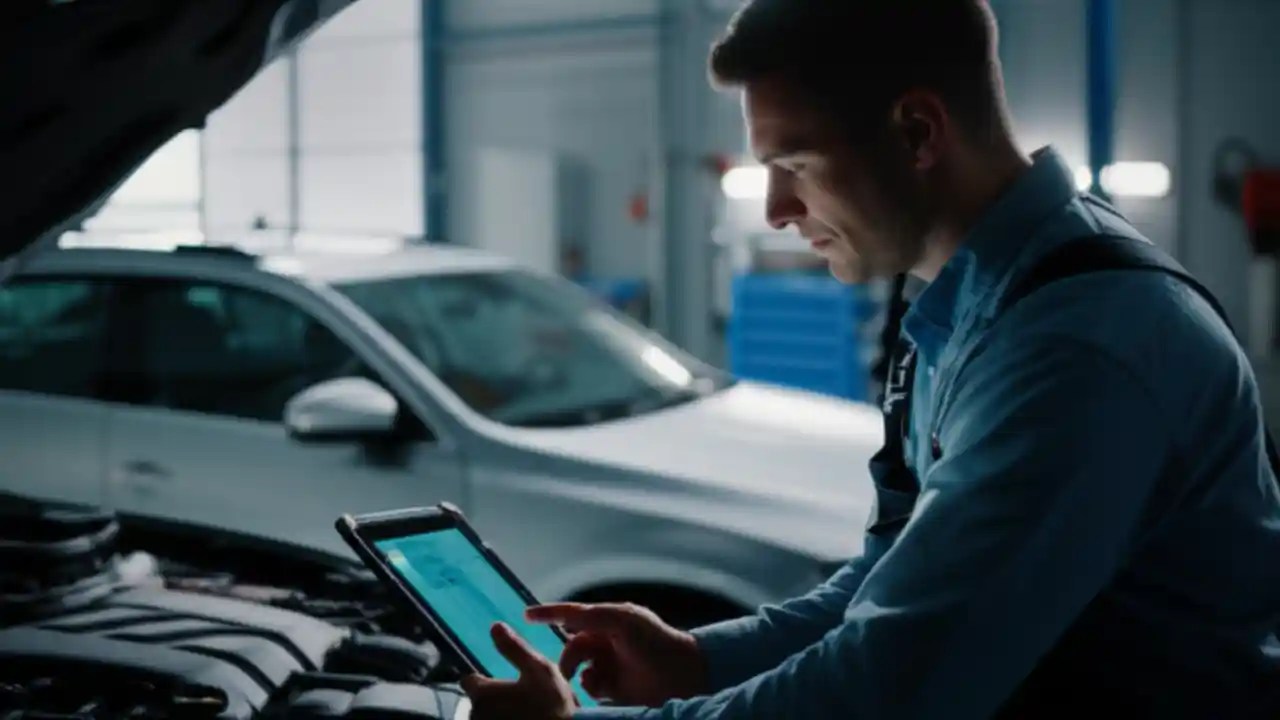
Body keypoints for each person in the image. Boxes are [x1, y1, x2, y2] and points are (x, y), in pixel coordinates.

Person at [461, 1, 1280, 717]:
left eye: (795, 165)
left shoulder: (1074, 348)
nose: (778, 210)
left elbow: (889, 691)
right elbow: (891, 585)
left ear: (918, 132)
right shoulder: (977, 304)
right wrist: (701, 661)